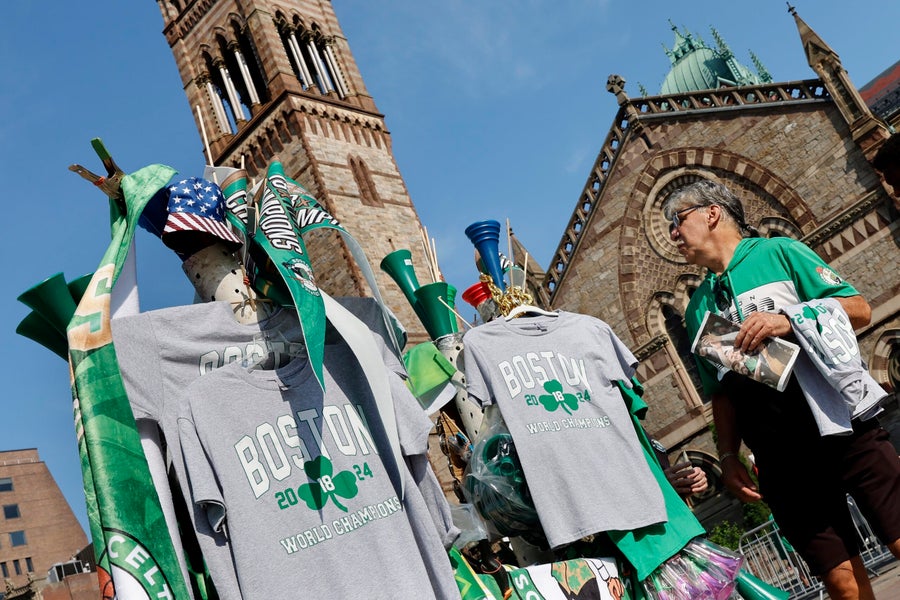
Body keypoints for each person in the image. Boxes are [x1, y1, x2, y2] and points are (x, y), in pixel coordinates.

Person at [664, 180, 900, 600]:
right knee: (842, 584)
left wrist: (789, 319)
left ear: (711, 213)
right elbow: (720, 391)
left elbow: (859, 309)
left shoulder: (779, 252)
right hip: (782, 460)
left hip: (845, 430)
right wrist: (728, 455)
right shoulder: (697, 306)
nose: (673, 234)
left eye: (677, 221)